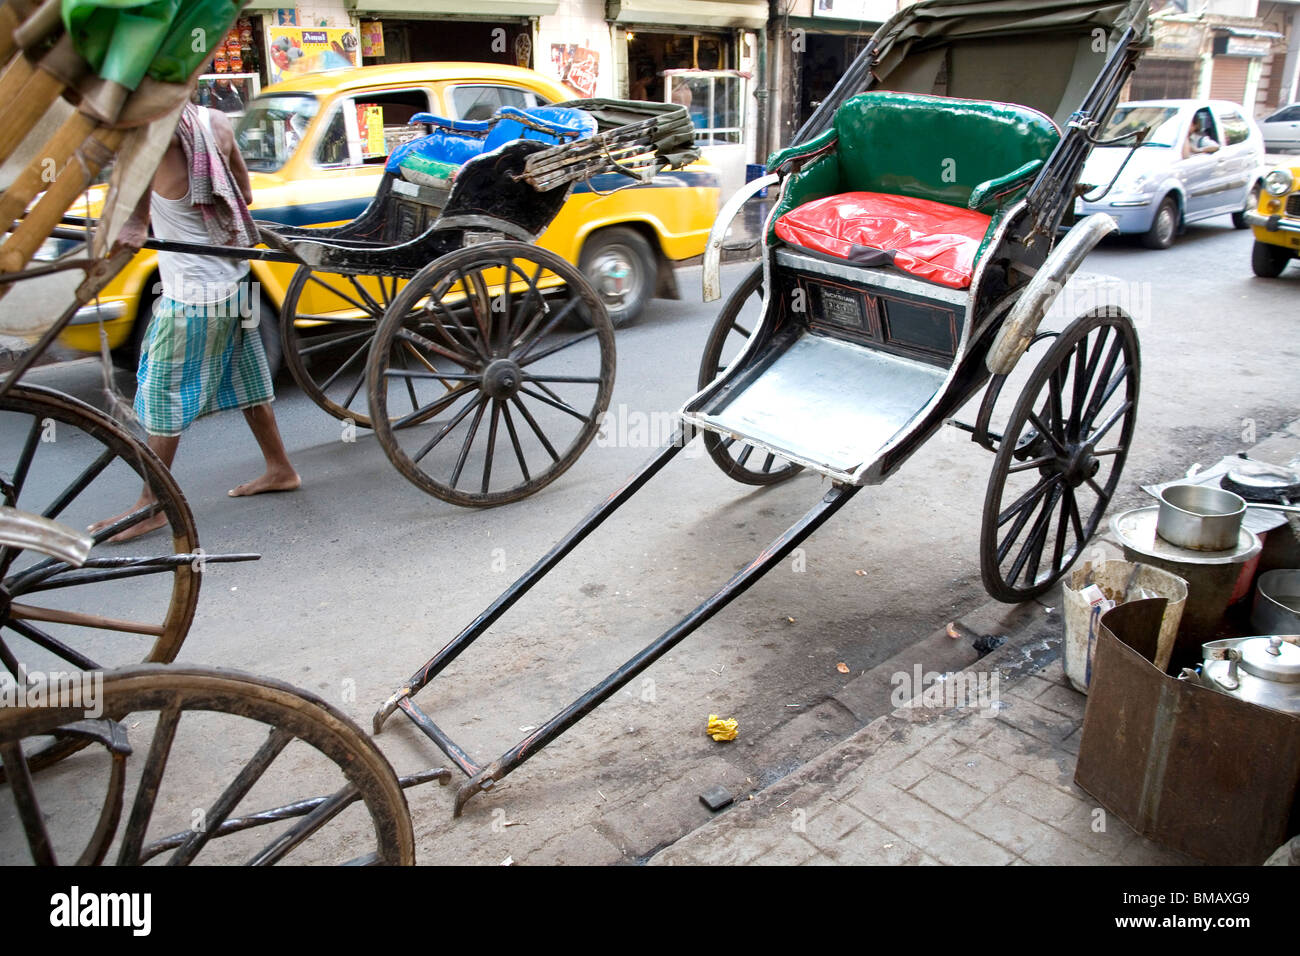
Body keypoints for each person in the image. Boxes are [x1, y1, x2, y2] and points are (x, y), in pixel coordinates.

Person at [93, 103, 299, 542]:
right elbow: (242, 194)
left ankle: (152, 505)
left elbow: (134, 185)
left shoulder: (161, 137)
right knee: (248, 384)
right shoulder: (216, 122)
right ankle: (280, 468)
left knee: (162, 396)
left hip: (194, 296)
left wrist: (137, 220)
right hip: (235, 281)